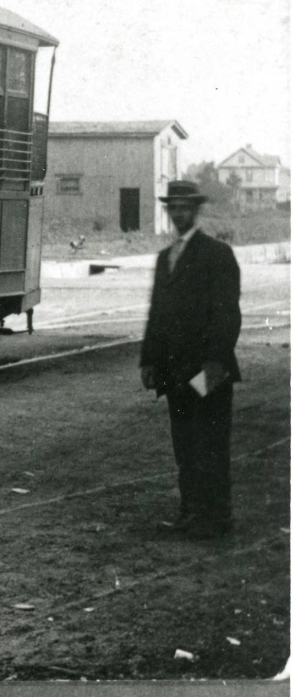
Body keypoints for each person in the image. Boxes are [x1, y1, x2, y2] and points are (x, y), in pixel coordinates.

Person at [139, 180, 242, 540]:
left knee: (210, 445)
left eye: (185, 207)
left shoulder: (217, 254)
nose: (179, 213)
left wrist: (214, 367)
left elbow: (228, 316)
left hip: (207, 372)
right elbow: (156, 314)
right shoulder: (165, 258)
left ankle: (217, 518)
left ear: (196, 210)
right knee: (185, 445)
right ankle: (190, 512)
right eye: (173, 208)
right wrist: (148, 361)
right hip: (174, 372)